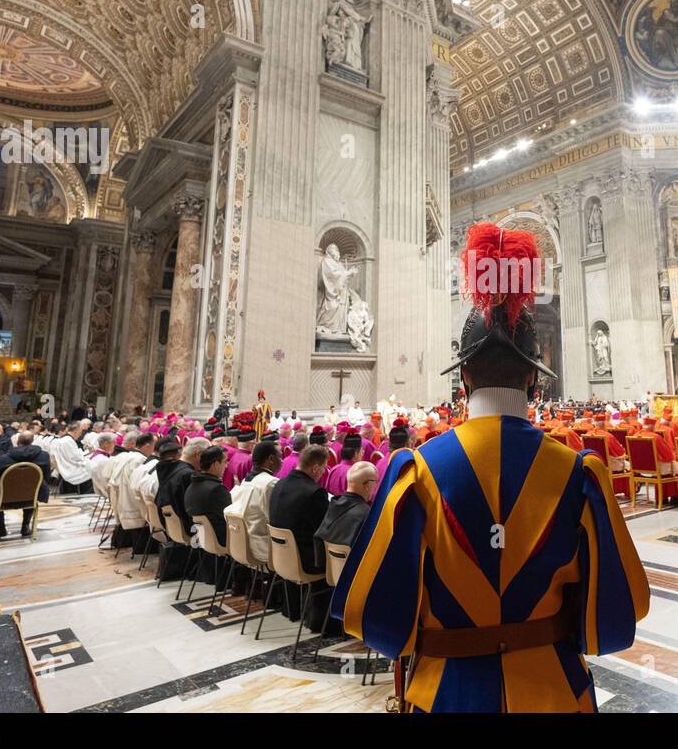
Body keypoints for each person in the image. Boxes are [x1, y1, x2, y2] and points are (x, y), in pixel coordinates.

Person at [332, 222, 648, 713]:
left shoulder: (415, 472)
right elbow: (618, 615)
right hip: (556, 696)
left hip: (446, 696)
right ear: (534, 378)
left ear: (462, 376)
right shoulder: (580, 474)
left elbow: (375, 618)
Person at [267, 445, 331, 576]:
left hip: (279, 555)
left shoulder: (279, 484)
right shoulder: (315, 492)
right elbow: (324, 530)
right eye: (324, 467)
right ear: (315, 468)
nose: (324, 471)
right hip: (305, 561)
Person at [0, 430, 51, 539]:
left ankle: (1, 530)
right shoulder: (43, 456)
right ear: (32, 441)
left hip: (5, 497)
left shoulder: (3, 458)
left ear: (18, 442)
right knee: (31, 488)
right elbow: (47, 475)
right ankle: (25, 527)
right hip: (32, 495)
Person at [316, 460, 375, 551]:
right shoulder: (367, 514)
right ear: (367, 485)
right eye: (375, 482)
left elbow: (318, 538)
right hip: (352, 564)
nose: (375, 486)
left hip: (329, 564)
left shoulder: (333, 504)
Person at [184, 445, 231, 547]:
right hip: (218, 540)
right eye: (224, 462)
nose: (226, 466)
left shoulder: (192, 485)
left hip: (200, 537)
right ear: (214, 464)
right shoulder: (216, 489)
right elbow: (229, 517)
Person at [51, 421, 93, 494]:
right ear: (75, 431)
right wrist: (88, 453)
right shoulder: (68, 441)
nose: (80, 434)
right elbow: (76, 458)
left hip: (63, 467)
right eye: (80, 432)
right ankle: (86, 492)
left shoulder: (59, 440)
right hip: (70, 468)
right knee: (93, 467)